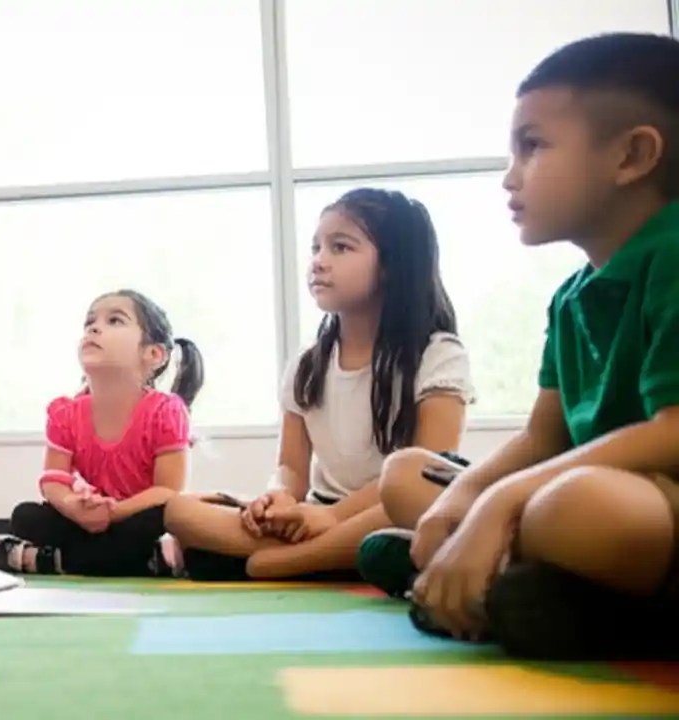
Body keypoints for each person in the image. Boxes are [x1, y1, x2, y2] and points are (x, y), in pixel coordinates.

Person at [365, 32, 679, 660]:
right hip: (591, 499)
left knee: (578, 504)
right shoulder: (570, 297)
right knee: (408, 475)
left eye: (531, 146)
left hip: (639, 505)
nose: (510, 176)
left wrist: (500, 501)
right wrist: (461, 499)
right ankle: (513, 585)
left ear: (631, 156)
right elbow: (542, 437)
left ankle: (496, 579)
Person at [163, 188, 473, 581]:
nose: (318, 262)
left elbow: (430, 470)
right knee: (179, 511)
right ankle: (325, 557)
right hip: (313, 513)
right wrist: (278, 498)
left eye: (340, 248)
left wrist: (332, 517)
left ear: (392, 265)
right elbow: (291, 468)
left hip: (383, 512)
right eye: (316, 248)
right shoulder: (307, 364)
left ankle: (287, 563)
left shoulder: (438, 354)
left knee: (423, 498)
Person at [0, 290, 204, 577]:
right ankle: (141, 561)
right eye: (90, 323)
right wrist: (73, 507)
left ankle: (49, 560)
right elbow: (54, 479)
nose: (94, 328)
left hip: (138, 518)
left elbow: (167, 490)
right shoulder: (67, 413)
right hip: (92, 519)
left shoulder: (166, 412)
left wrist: (115, 512)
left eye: (114, 320)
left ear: (153, 354)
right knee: (26, 516)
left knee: (164, 518)